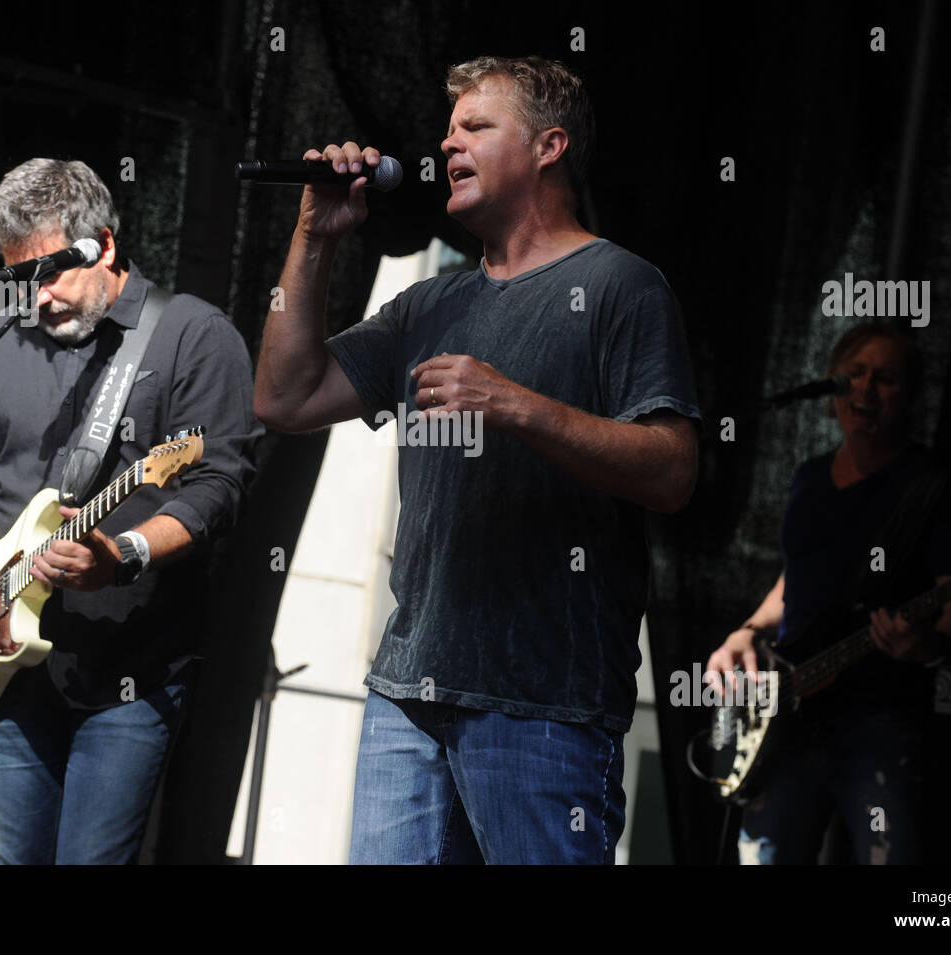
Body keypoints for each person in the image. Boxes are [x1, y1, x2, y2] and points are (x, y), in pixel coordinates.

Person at [255, 56, 701, 864]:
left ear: (549, 146)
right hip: (407, 694)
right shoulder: (433, 301)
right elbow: (285, 398)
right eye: (448, 128)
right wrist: (313, 237)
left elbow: (673, 470)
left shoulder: (621, 286)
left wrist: (514, 403)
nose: (446, 142)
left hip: (545, 708)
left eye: (475, 126)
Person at [0, 158, 261, 864]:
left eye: (51, 273)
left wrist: (123, 555)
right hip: (3, 661)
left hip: (132, 675)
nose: (38, 297)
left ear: (103, 244)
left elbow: (217, 486)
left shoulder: (193, 335)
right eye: (22, 279)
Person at [706, 320, 951, 865]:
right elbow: (795, 580)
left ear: (910, 395)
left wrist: (930, 645)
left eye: (885, 379)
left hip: (880, 720)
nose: (865, 389)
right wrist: (746, 631)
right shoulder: (810, 476)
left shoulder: (933, 486)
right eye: (853, 373)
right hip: (788, 715)